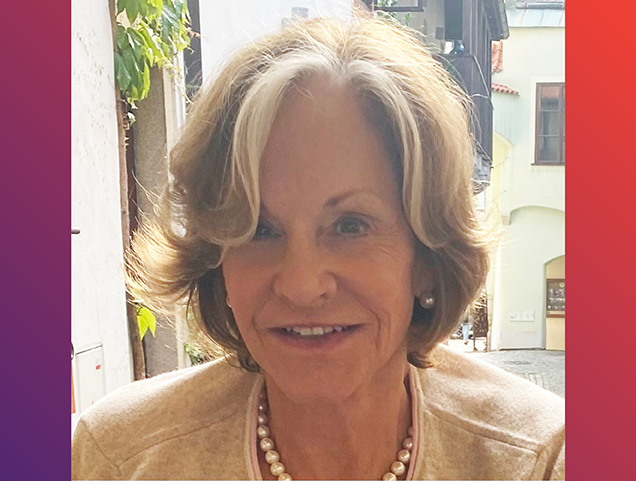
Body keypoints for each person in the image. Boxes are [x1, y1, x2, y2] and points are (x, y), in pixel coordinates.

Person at [71, 17, 564, 480]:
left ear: (428, 260)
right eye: (258, 230)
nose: (302, 286)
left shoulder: (536, 460)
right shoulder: (121, 458)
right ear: (217, 263)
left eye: (350, 226)